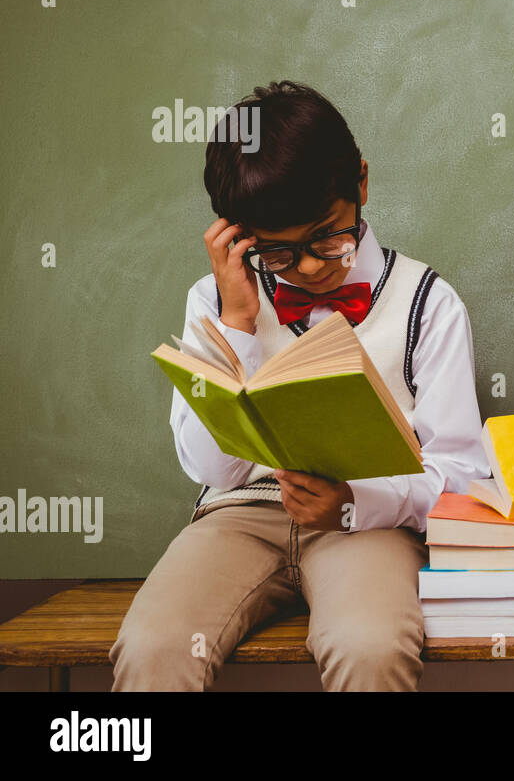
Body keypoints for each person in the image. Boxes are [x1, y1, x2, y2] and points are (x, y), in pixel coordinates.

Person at [111, 80, 491, 690]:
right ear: (238, 235)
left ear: (360, 184)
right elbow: (210, 467)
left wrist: (354, 502)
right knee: (152, 645)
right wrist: (235, 326)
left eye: (327, 237)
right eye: (279, 255)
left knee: (369, 646)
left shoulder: (427, 301)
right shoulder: (212, 300)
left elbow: (465, 474)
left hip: (368, 523)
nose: (311, 267)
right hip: (239, 516)